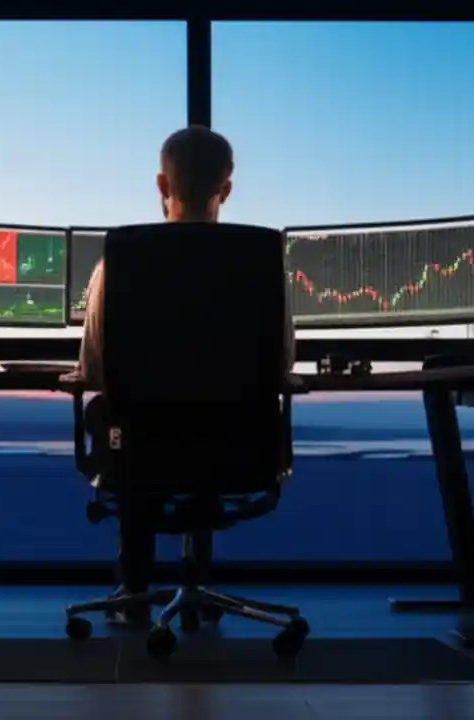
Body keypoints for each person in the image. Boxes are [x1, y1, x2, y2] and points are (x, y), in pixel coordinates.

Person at [77, 125, 295, 624]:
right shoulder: (261, 264)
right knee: (194, 436)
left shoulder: (119, 261)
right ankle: (198, 589)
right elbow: (282, 366)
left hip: (141, 448)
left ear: (161, 185)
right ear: (227, 188)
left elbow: (92, 370)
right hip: (241, 448)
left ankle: (132, 594)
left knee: (115, 420)